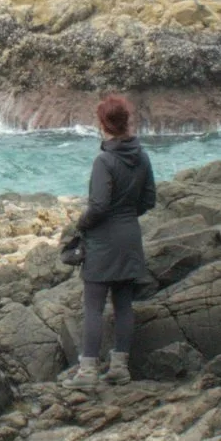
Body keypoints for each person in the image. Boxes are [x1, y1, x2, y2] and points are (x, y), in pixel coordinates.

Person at [70, 92, 156, 379]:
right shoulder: (141, 156)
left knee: (93, 307)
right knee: (123, 305)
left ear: (102, 124)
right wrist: (127, 218)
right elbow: (149, 199)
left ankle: (87, 371)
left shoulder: (104, 161)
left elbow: (99, 206)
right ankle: (120, 367)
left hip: (103, 243)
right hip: (130, 237)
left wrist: (81, 225)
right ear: (126, 121)